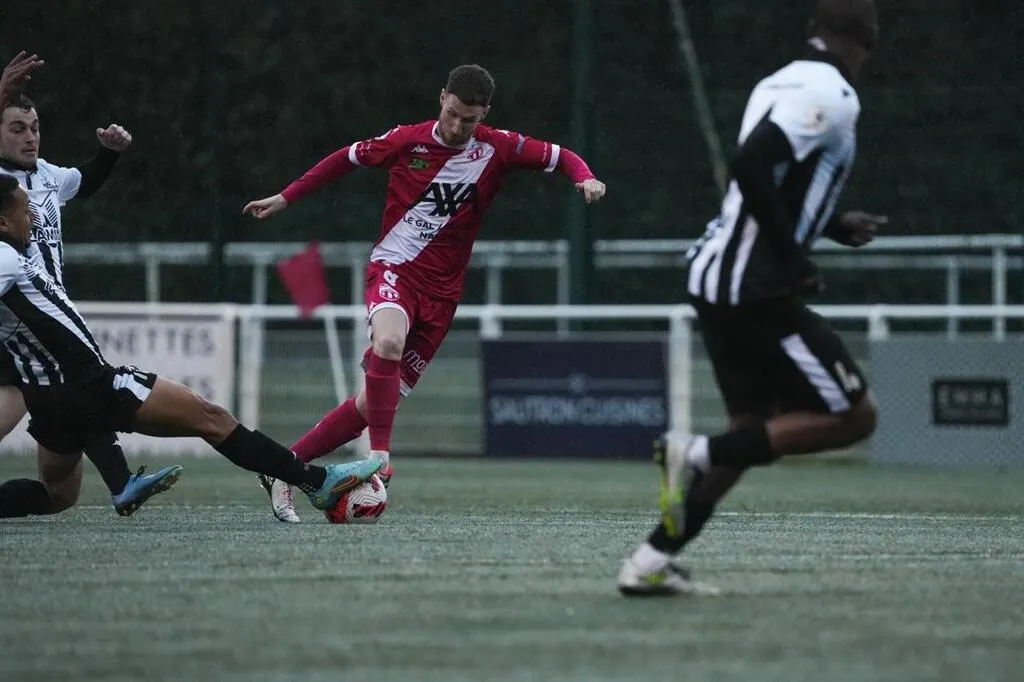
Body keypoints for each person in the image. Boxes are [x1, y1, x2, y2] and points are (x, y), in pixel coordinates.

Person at [244, 64, 606, 523]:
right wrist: (287, 196)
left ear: (484, 114)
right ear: (441, 99)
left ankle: (282, 467)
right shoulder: (406, 141)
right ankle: (379, 457)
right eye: (452, 114)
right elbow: (344, 158)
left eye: (469, 120)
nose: (457, 127)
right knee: (389, 343)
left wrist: (585, 176)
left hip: (443, 296)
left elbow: (561, 156)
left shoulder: (498, 147)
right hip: (394, 269)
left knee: (371, 401)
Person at [618, 0, 887, 596]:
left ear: (811, 28)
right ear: (869, 34)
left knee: (754, 429)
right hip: (753, 287)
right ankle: (694, 450)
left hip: (718, 277)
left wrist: (831, 223)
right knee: (853, 416)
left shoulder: (781, 79)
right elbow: (752, 165)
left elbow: (772, 184)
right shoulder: (832, 94)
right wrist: (793, 258)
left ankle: (649, 561)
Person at [0, 175, 383, 519]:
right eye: (24, 211)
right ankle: (317, 481)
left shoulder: (16, 254)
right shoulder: (4, 257)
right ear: (2, 222)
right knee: (211, 420)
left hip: (48, 399)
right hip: (90, 386)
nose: (34, 218)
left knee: (58, 494)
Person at [0, 54, 186, 517]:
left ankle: (123, 483)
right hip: (16, 319)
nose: (30, 135)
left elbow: (84, 182)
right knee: (80, 380)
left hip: (34, 323)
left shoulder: (45, 176)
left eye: (35, 126)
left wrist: (109, 153)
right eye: (17, 127)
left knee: (61, 491)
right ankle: (123, 483)